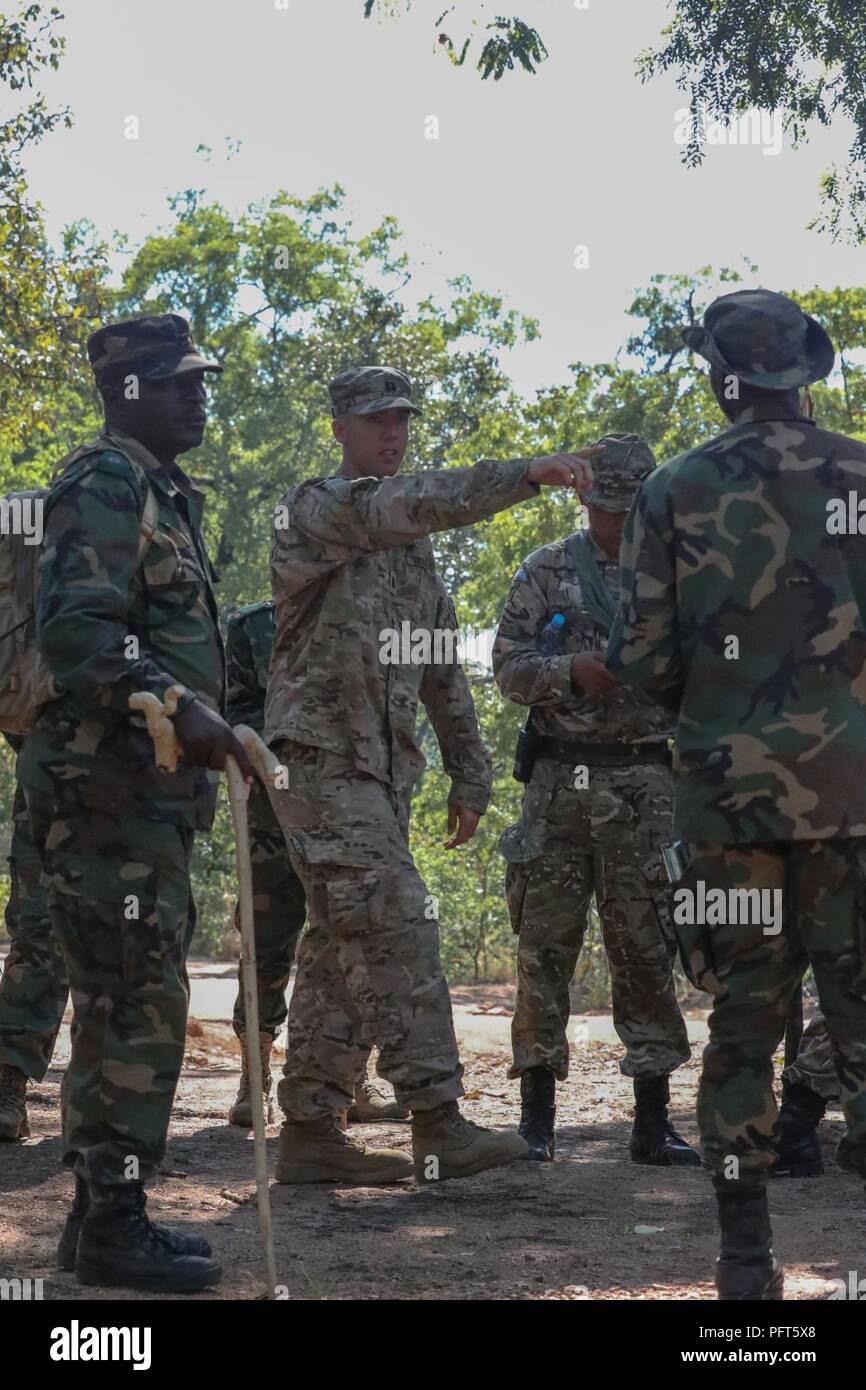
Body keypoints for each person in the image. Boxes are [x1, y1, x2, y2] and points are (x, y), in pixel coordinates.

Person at [264, 364, 598, 1184]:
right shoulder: (318, 510)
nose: (392, 432)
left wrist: (470, 775)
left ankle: (310, 1128)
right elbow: (413, 501)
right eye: (376, 420)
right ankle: (438, 1119)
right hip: (317, 759)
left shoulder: (414, 564)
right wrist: (526, 474)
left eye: (401, 419)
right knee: (397, 916)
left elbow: (444, 670)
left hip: (379, 776)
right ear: (339, 426)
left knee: (342, 936)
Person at [606, 288, 866, 1300]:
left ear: (723, 373)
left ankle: (743, 1254)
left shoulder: (671, 488)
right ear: (804, 371)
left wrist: (717, 713)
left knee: (743, 1018)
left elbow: (641, 659)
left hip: (725, 800)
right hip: (854, 794)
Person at [19, 314, 253, 1293]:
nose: (198, 395)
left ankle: (99, 1220)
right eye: (176, 382)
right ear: (128, 393)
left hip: (145, 804)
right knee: (135, 1002)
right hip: (101, 795)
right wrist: (178, 705)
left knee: (130, 999)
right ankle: (113, 1223)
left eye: (199, 379)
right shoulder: (104, 482)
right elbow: (78, 631)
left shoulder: (163, 493)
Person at [493, 435, 698, 1166]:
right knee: (543, 946)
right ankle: (537, 1118)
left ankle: (653, 1119)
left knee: (645, 948)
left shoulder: (674, 574)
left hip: (645, 783)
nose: (621, 523)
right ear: (584, 501)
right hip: (559, 785)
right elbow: (507, 668)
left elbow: (707, 672)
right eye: (609, 508)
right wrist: (571, 672)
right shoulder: (547, 569)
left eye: (633, 508)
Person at [224, 598, 406, 1126]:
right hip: (273, 813)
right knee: (265, 936)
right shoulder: (251, 627)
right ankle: (252, 1080)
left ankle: (347, 1078)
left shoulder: (371, 617)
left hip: (353, 808)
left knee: (352, 935)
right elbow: (234, 715)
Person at [0, 738, 66, 1140]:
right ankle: (9, 1081)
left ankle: (121, 1109)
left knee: (134, 937)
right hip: (51, 778)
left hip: (141, 785)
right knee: (39, 928)